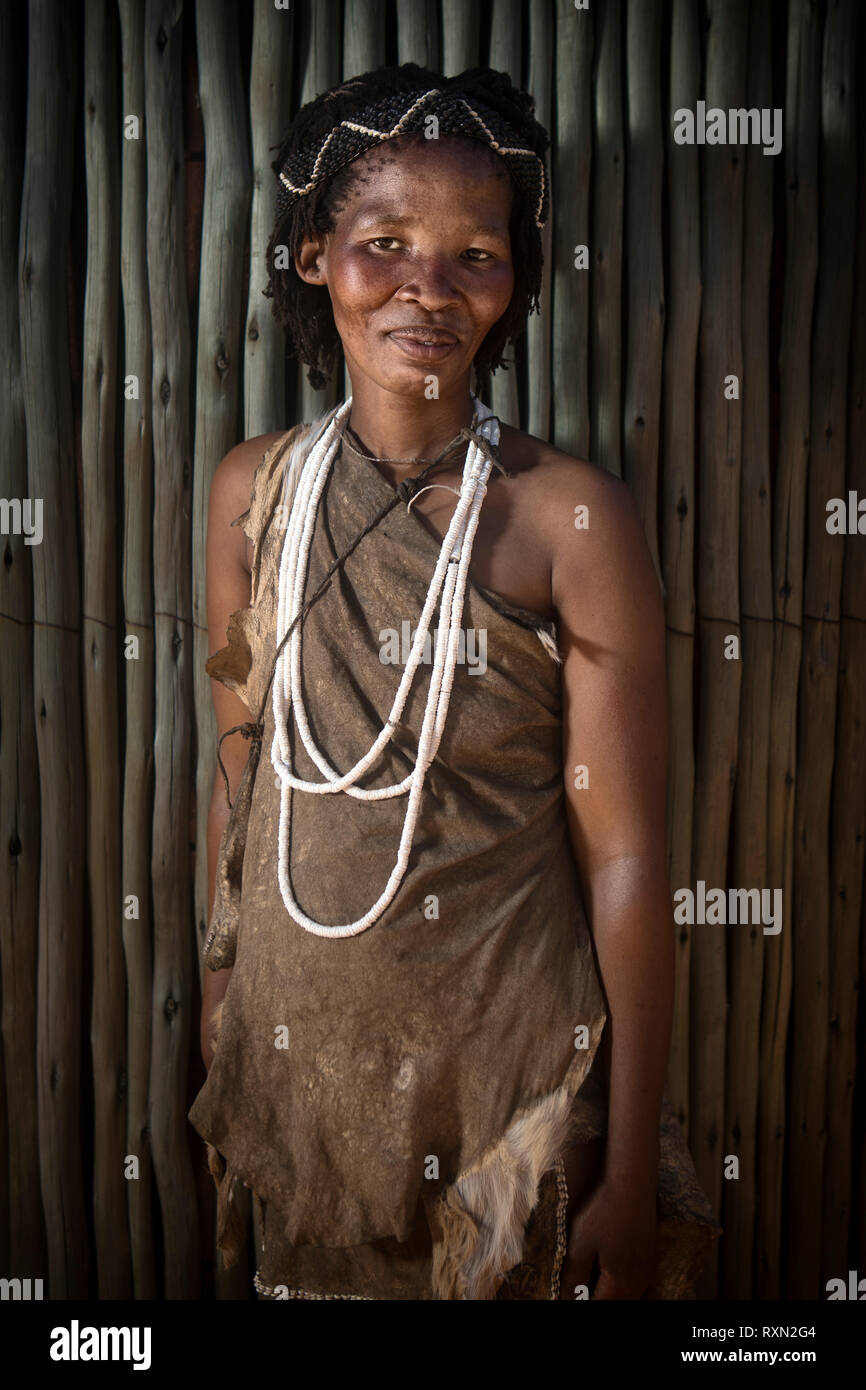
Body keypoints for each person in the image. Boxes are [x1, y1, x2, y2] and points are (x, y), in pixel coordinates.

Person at [188, 62, 719, 1301]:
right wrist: (221, 1018)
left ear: (517, 282)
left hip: (507, 1101)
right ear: (315, 255)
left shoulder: (567, 519)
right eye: (384, 242)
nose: (427, 285)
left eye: (476, 253)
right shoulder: (249, 495)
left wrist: (626, 1170)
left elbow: (629, 857)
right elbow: (241, 775)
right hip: (301, 1085)